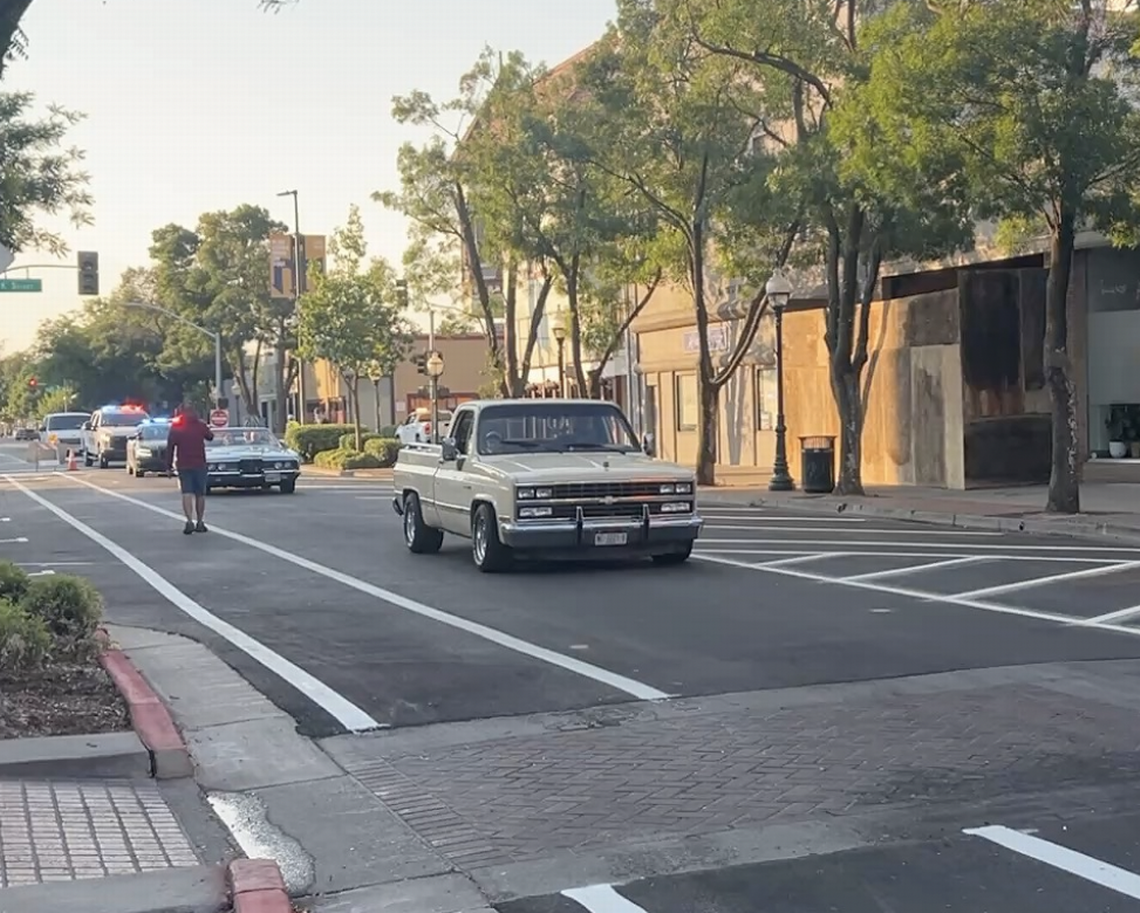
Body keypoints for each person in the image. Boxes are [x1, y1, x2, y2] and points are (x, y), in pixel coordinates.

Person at [165, 403, 215, 535]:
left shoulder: (176, 427)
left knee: (186, 492)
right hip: (199, 464)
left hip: (184, 464)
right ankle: (200, 522)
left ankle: (189, 521)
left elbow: (170, 447)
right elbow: (210, 437)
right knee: (200, 494)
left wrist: (168, 466)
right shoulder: (200, 425)